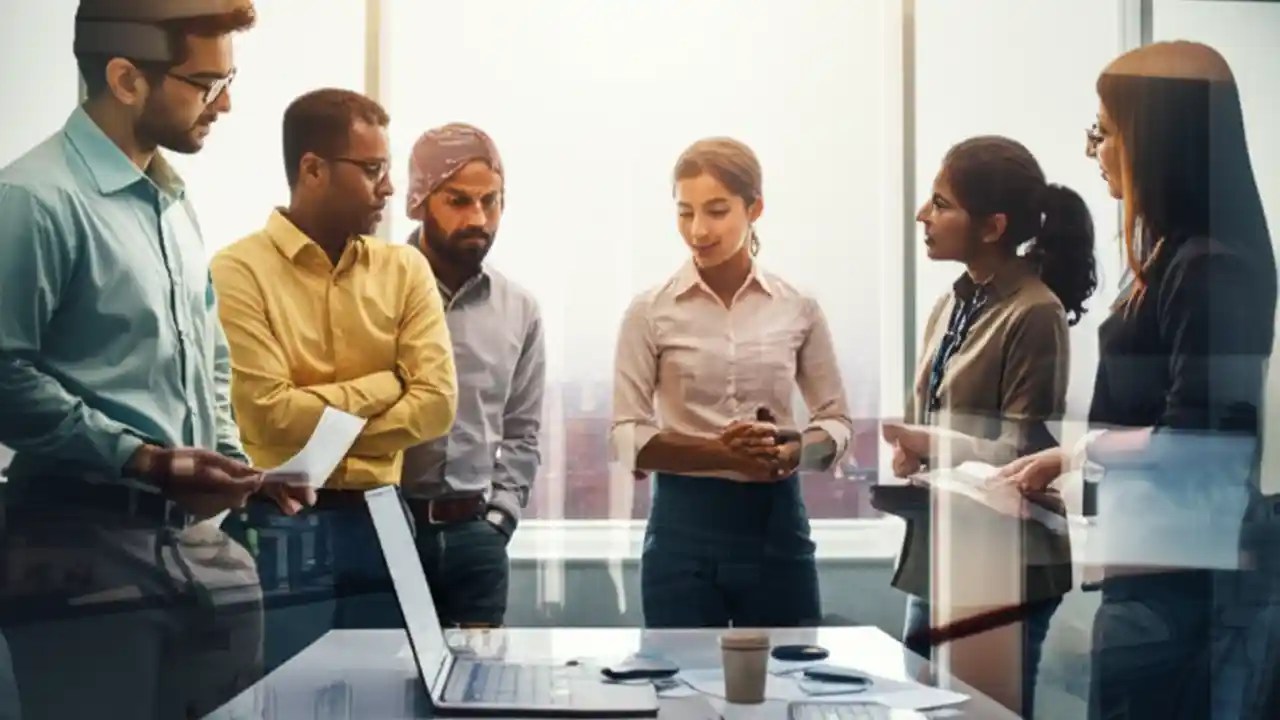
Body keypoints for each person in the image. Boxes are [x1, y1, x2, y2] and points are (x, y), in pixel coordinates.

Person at [0, 2, 301, 718]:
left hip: (198, 546)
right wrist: (142, 458)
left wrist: (231, 462)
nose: (226, 104)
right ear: (126, 78)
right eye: (206, 84)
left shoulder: (170, 200)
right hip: (82, 549)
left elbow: (209, 354)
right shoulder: (33, 200)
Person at [996, 41, 1277, 719]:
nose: (1094, 150)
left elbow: (1207, 435)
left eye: (1104, 131)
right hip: (1154, 582)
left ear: (1153, 139)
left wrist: (1079, 453)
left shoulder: (1211, 267)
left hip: (1182, 597)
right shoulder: (1167, 257)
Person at [210, 89, 458, 633]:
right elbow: (266, 413)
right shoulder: (236, 271)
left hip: (383, 517)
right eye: (372, 169)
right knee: (278, 699)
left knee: (387, 698)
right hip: (278, 519)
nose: (389, 188)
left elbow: (437, 405)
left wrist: (317, 424)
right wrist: (386, 385)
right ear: (313, 169)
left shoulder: (406, 270)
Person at [882, 135, 1098, 717]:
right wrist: (916, 452)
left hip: (1005, 562)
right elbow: (936, 418)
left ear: (992, 226)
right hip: (943, 549)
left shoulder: (1035, 311)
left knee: (980, 715)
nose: (924, 215)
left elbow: (1024, 454)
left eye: (941, 202)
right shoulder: (952, 304)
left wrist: (935, 445)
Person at [610, 137, 854, 628]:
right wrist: (724, 454)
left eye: (717, 211)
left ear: (755, 208)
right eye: (685, 212)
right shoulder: (649, 310)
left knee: (789, 680)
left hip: (776, 523)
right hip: (682, 525)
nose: (698, 230)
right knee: (681, 690)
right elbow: (626, 436)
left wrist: (793, 453)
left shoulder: (798, 306)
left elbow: (836, 421)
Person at [400, 123, 545, 628]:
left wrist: (499, 519)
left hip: (477, 540)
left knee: (479, 698)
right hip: (385, 536)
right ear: (419, 200)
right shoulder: (373, 289)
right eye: (458, 201)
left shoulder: (519, 308)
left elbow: (523, 433)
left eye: (491, 201)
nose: (478, 218)